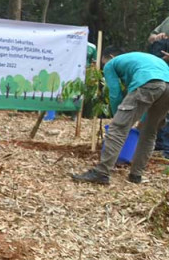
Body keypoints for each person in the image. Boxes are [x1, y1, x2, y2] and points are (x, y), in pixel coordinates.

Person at [71, 47, 169, 185]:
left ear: (110, 57)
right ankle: (136, 175)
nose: (104, 68)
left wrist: (117, 115)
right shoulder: (139, 60)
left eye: (103, 63)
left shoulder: (112, 64)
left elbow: (115, 92)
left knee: (117, 128)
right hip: (167, 86)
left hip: (148, 82)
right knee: (149, 132)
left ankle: (101, 172)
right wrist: (140, 119)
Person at [146, 17, 169, 157]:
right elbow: (151, 37)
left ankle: (167, 148)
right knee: (158, 106)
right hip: (161, 68)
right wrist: (156, 37)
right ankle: (159, 143)